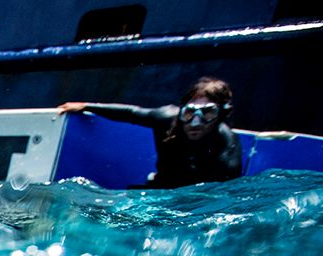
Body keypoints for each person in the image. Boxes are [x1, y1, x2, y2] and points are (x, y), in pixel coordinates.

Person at [58, 77, 243, 188]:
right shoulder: (167, 117)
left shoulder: (227, 145)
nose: (195, 123)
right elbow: (131, 113)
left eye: (207, 113)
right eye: (189, 113)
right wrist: (85, 106)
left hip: (195, 201)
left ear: (220, 116)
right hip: (159, 188)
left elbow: (223, 194)